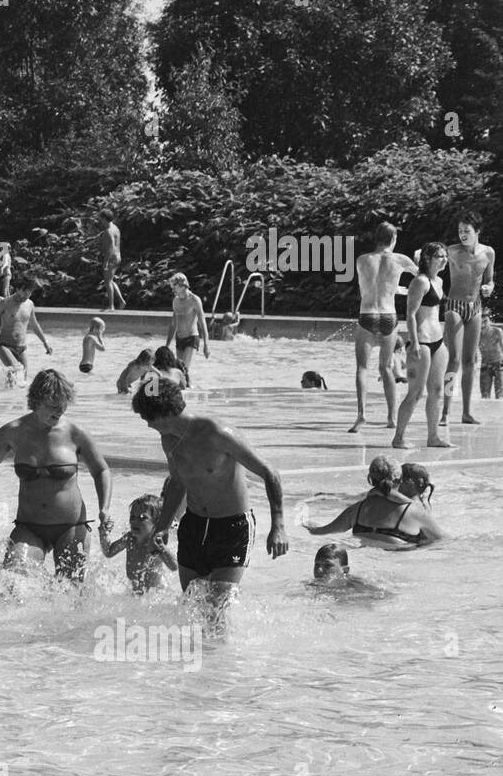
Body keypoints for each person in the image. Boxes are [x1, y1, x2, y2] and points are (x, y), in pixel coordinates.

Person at [0, 369, 113, 580]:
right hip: (29, 528)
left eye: (64, 405)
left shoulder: (75, 433)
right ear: (37, 400)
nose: (60, 411)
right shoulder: (14, 431)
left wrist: (104, 508)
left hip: (71, 528)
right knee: (12, 581)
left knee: (72, 592)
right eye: (54, 406)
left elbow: (101, 470)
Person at [132, 378, 288, 616]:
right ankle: (200, 652)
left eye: (146, 418)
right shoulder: (169, 439)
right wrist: (161, 527)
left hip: (232, 527)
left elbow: (270, 473)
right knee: (192, 605)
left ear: (160, 415)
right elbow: (176, 483)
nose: (146, 424)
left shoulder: (217, 433)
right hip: (194, 525)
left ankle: (220, 653)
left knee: (216, 608)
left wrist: (278, 526)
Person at [350, 222, 417, 433]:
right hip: (388, 315)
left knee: (362, 367)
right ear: (394, 238)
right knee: (386, 367)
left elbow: (369, 285)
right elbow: (423, 277)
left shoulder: (362, 260)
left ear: (376, 238)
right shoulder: (400, 260)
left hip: (367, 314)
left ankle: (361, 416)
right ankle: (392, 417)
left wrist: (392, 287)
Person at [305, 456, 445, 548]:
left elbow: (321, 532)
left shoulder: (356, 509)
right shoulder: (414, 512)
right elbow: (444, 541)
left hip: (361, 558)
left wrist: (307, 524)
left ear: (371, 479)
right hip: (399, 563)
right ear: (399, 480)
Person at [392, 242, 452, 449]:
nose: (445, 259)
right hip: (422, 341)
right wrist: (414, 342)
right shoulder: (420, 282)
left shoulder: (439, 281)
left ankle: (433, 437)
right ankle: (398, 437)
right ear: (428, 259)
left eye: (445, 256)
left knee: (436, 391)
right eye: (440, 256)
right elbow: (410, 314)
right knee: (415, 393)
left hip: (438, 341)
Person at [442, 211, 496, 425]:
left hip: (476, 309)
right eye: (460, 231)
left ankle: (466, 412)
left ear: (477, 232)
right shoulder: (452, 251)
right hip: (454, 306)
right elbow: (430, 259)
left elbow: (490, 281)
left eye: (467, 231)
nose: (462, 234)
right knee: (454, 359)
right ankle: (445, 411)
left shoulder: (488, 253)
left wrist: (488, 288)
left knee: (470, 361)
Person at [0, 279, 53, 383]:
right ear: (18, 289)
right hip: (5, 346)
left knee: (22, 381)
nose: (26, 296)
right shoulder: (5, 303)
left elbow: (35, 325)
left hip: (21, 348)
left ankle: (6, 396)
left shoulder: (30, 304)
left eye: (29, 293)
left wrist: (45, 343)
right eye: (24, 292)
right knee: (16, 369)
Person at [101, 493, 177, 594]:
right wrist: (104, 534)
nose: (135, 521)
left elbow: (174, 566)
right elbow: (109, 552)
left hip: (154, 597)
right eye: (132, 517)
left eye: (142, 518)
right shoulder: (129, 539)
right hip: (135, 596)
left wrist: (162, 549)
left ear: (156, 523)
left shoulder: (154, 544)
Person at [163, 273, 209, 373]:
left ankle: (187, 386)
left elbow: (202, 322)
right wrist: (167, 345)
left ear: (182, 285)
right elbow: (173, 324)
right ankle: (189, 386)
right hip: (179, 339)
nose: (172, 290)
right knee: (179, 371)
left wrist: (206, 345)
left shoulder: (194, 300)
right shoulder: (175, 301)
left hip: (192, 338)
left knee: (182, 369)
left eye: (174, 287)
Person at [96, 210, 124, 310]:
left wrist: (106, 261)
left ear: (104, 218)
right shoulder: (115, 227)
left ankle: (111, 305)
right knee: (110, 280)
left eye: (100, 218)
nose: (99, 220)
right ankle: (121, 301)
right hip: (118, 256)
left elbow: (111, 247)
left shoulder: (108, 231)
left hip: (112, 258)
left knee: (107, 282)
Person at [479, 314, 503, 399]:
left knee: (500, 396)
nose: (483, 324)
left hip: (499, 364)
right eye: (481, 322)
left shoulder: (497, 331)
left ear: (490, 322)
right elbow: (473, 352)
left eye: (485, 321)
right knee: (484, 396)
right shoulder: (477, 335)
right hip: (485, 365)